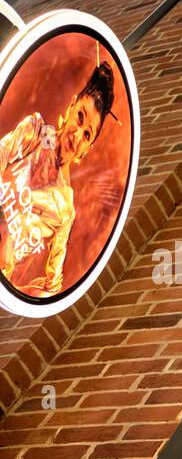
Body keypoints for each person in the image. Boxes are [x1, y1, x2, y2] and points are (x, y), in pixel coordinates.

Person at [0, 61, 116, 298]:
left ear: (88, 147)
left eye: (87, 135)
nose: (77, 134)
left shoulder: (64, 209)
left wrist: (15, 292)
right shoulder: (35, 132)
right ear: (72, 106)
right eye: (81, 117)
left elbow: (52, 288)